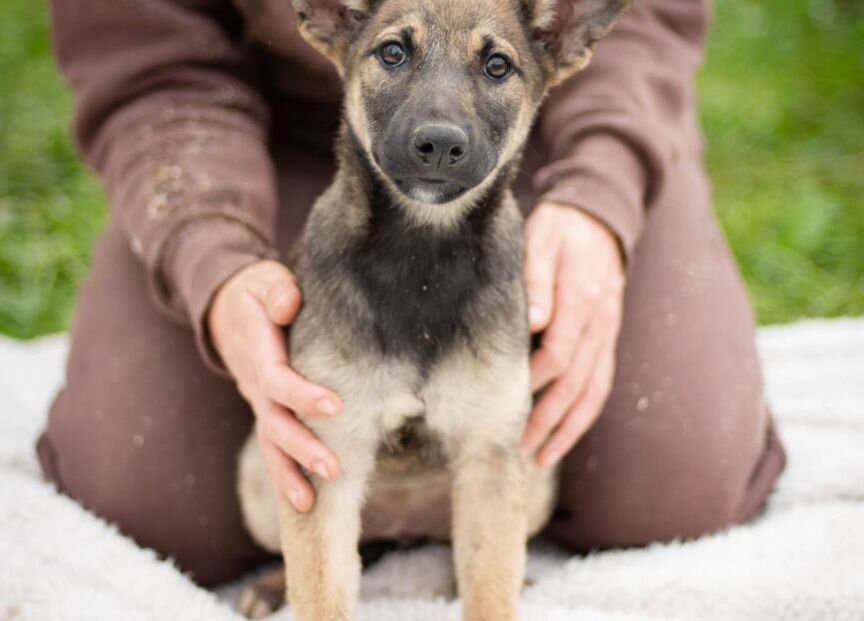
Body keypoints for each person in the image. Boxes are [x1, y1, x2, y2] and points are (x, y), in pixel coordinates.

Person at [38, 0, 786, 587]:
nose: (439, 133)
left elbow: (643, 24)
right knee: (147, 497)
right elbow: (148, 53)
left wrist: (602, 192)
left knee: (677, 487)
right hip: (286, 132)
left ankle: (462, 520)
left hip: (547, 133)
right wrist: (211, 251)